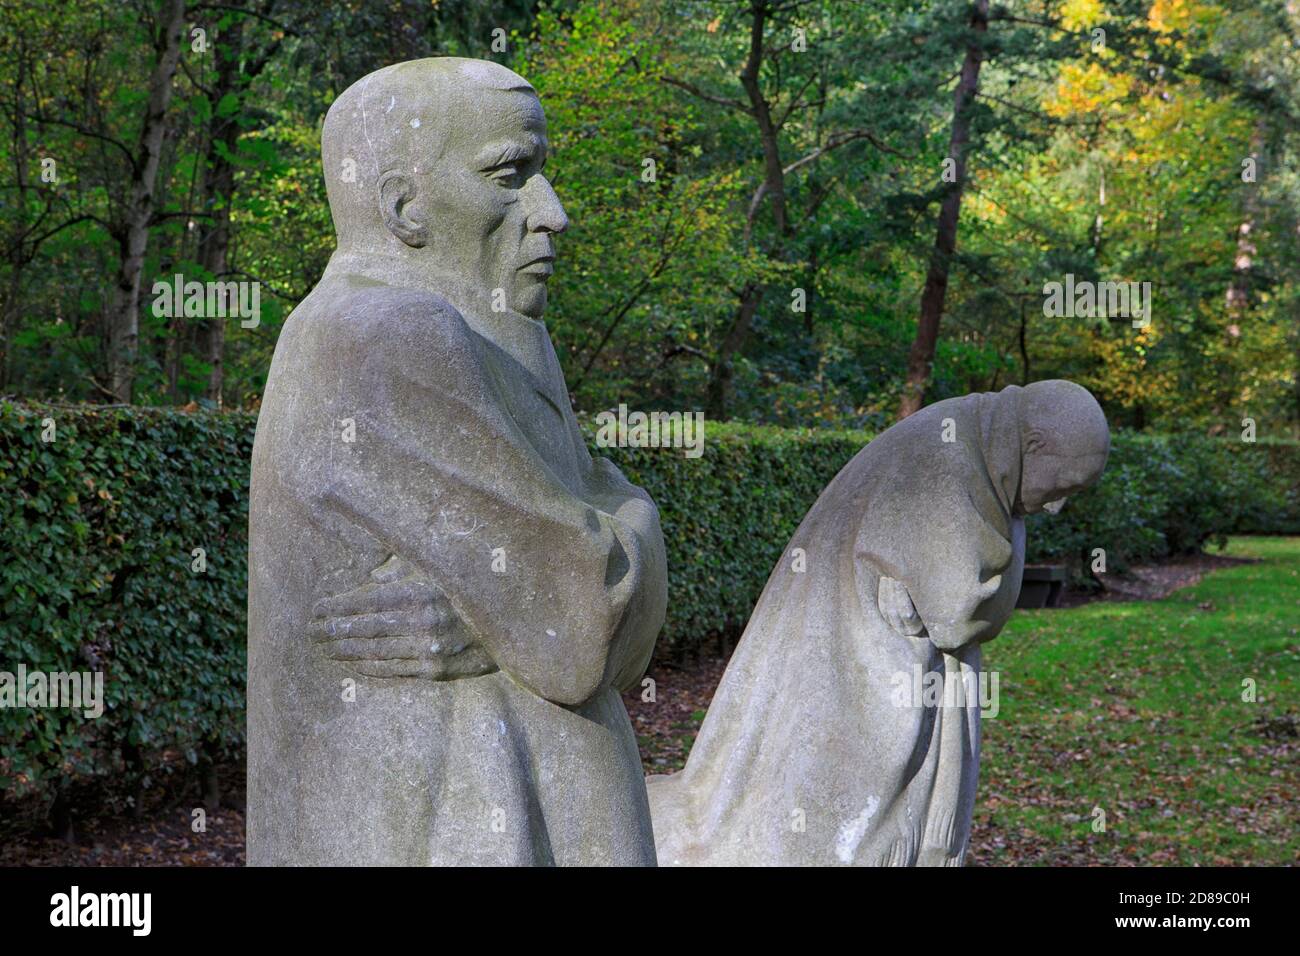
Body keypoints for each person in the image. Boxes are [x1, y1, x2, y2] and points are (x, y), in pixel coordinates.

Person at [247, 58, 667, 866]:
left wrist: (507, 612)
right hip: (455, 822)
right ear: (405, 208)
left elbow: (581, 570)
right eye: (511, 175)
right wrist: (546, 597)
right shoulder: (384, 334)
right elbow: (583, 610)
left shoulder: (501, 333)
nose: (554, 213)